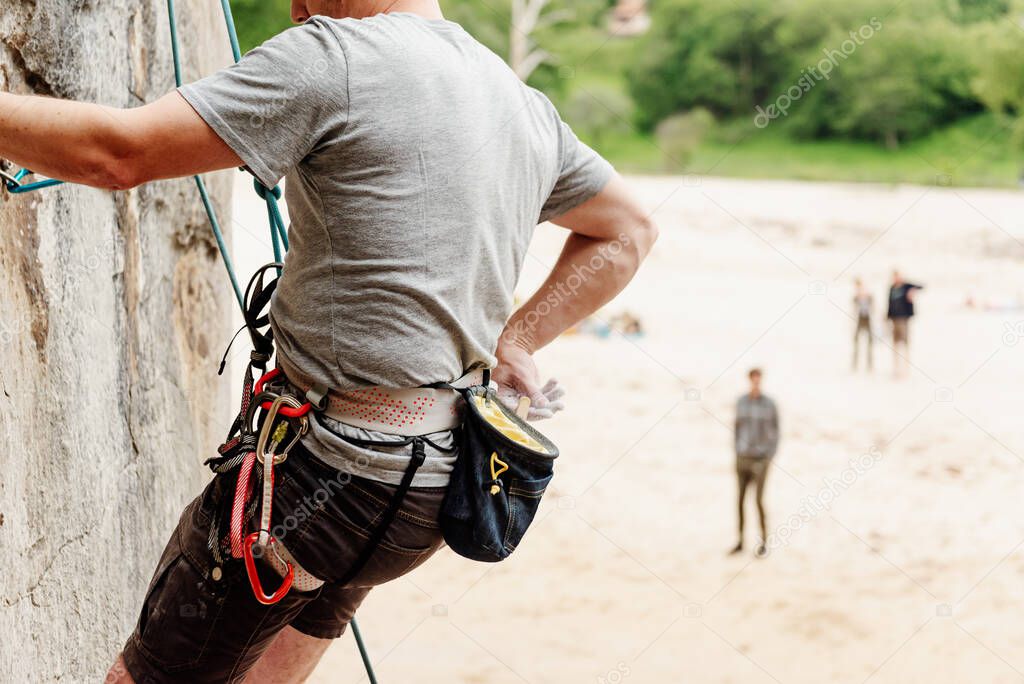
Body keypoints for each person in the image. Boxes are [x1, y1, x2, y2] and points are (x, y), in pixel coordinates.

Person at [0, 0, 658, 681]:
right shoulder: (514, 96)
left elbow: (118, 153)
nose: (292, 8)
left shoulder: (333, 57)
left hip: (325, 476)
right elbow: (629, 228)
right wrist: (518, 340)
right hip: (432, 486)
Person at [731, 368, 779, 558]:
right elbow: (736, 428)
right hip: (743, 456)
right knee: (740, 500)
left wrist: (768, 456)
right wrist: (737, 450)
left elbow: (776, 431)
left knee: (758, 500)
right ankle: (741, 541)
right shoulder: (741, 402)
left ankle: (764, 542)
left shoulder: (770, 405)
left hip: (761, 458)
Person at [887, 270, 924, 378]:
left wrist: (912, 291)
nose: (896, 278)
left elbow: (922, 286)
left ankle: (906, 368)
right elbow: (889, 303)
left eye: (898, 276)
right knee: (895, 344)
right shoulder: (892, 288)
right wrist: (887, 317)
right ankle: (896, 369)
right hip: (894, 320)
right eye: (895, 276)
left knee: (905, 344)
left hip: (904, 319)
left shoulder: (907, 286)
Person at [852, 277, 874, 371]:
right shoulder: (855, 298)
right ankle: (855, 364)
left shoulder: (870, 298)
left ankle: (869, 365)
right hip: (858, 320)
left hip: (868, 320)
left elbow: (874, 310)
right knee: (856, 343)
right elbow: (852, 310)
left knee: (870, 343)